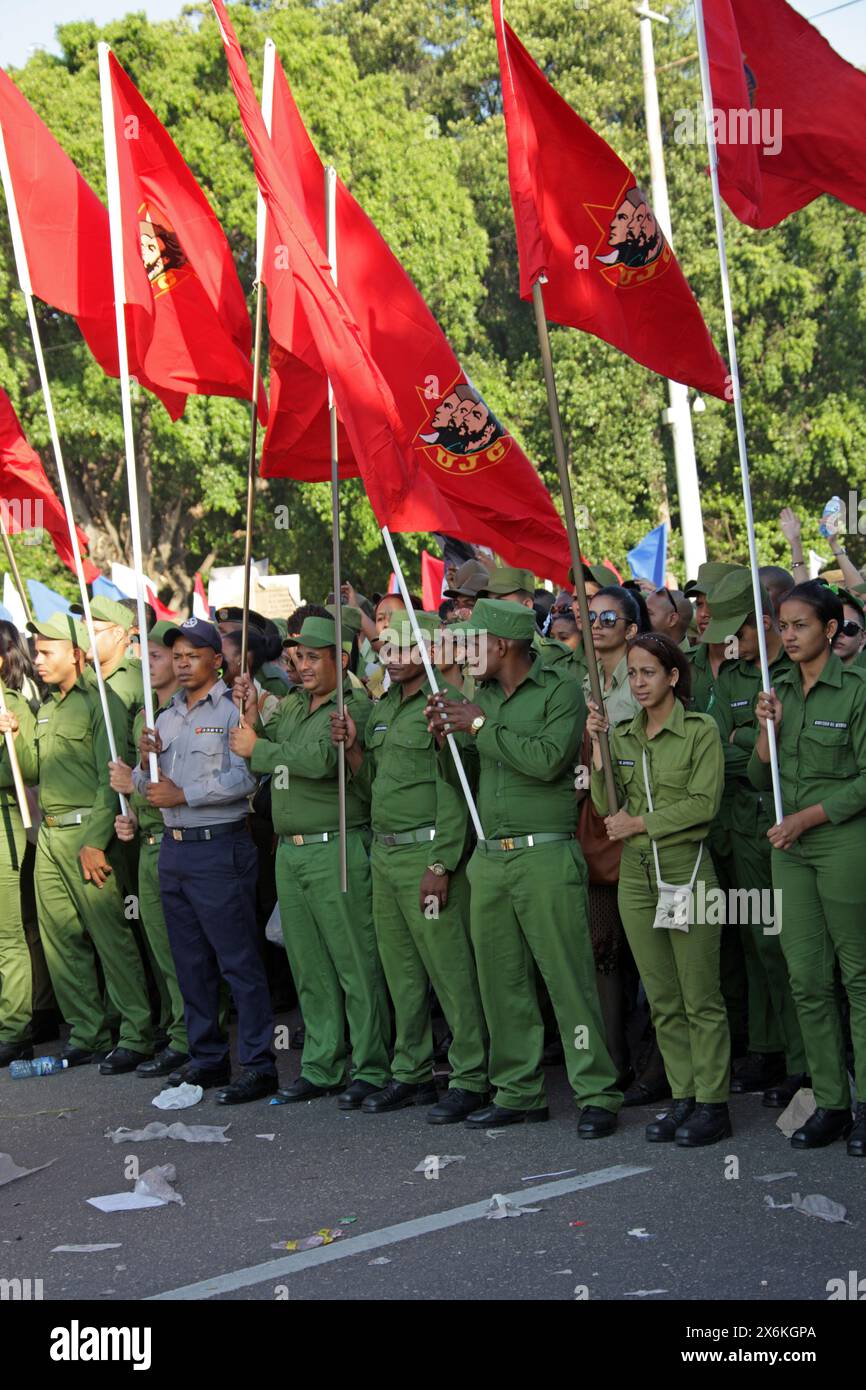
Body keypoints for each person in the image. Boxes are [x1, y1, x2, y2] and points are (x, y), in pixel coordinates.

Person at [426, 598, 622, 1135]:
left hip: (546, 853)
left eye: (474, 644)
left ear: (504, 645)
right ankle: (518, 1090)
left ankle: (597, 1092)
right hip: (489, 858)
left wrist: (480, 724)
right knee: (501, 982)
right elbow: (461, 779)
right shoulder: (478, 697)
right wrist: (445, 741)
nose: (466, 656)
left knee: (567, 978)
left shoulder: (559, 690)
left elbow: (546, 760)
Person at [332, 610, 489, 1122]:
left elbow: (455, 792)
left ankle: (471, 1076)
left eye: (402, 647)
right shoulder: (383, 707)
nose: (390, 656)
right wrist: (353, 746)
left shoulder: (444, 705)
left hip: (426, 853)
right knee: (400, 973)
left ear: (426, 648)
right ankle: (413, 1071)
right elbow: (371, 783)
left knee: (449, 971)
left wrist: (441, 864)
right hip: (385, 852)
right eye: (385, 647)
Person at [230, 614, 390, 1107]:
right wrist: (251, 717)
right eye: (296, 657)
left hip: (336, 844)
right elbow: (256, 745)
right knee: (309, 966)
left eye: (313, 657)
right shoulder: (295, 705)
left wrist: (261, 747)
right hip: (291, 849)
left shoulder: (354, 705)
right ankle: (322, 1064)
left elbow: (321, 761)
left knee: (354, 964)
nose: (301, 666)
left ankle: (370, 1066)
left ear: (340, 659)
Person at [588, 633, 730, 1146]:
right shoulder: (622, 734)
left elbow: (702, 805)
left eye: (649, 672)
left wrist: (641, 824)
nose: (640, 683)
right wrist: (600, 754)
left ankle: (714, 1103)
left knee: (699, 996)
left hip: (684, 872)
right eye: (633, 674)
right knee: (664, 998)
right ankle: (685, 1095)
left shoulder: (699, 730)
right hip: (637, 878)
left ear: (673, 676)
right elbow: (608, 810)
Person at [134, 616, 276, 1105]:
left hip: (219, 846)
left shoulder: (236, 708)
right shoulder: (165, 716)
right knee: (190, 962)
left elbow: (247, 780)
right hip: (174, 849)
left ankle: (259, 1064)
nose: (182, 662)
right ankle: (208, 1059)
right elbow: (148, 789)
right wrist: (140, 764)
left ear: (218, 659)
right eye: (176, 655)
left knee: (237, 960)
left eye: (193, 654)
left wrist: (185, 793)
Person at [4, 613, 154, 1073]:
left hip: (87, 832)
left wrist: (95, 841)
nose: (36, 659)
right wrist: (10, 734)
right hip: (48, 833)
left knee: (111, 938)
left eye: (46, 651)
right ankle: (87, 1032)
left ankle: (136, 1033)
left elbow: (112, 780)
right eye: (35, 649)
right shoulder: (46, 706)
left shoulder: (100, 703)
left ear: (76, 653)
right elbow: (28, 771)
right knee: (60, 942)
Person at [749, 582, 866, 1155]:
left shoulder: (858, 688)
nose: (788, 635)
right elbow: (756, 777)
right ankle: (831, 1102)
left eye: (799, 625)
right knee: (807, 980)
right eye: (782, 625)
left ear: (829, 629)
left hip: (842, 839)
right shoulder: (779, 693)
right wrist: (766, 732)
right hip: (789, 847)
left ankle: (865, 1102)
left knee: (860, 977)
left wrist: (809, 818)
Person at [703, 570, 807, 1106]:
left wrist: (747, 742)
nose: (727, 641)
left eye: (735, 631)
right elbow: (719, 752)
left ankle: (804, 1059)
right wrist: (749, 740)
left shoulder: (794, 670)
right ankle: (768, 1049)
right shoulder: (732, 678)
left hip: (789, 823)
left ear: (763, 624)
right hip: (743, 823)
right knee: (755, 941)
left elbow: (789, 754)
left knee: (792, 947)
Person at [107, 620, 192, 1077]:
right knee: (163, 950)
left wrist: (140, 788)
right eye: (153, 655)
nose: (149, 663)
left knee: (186, 952)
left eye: (156, 656)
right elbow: (144, 792)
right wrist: (132, 815)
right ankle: (180, 1033)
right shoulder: (147, 714)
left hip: (180, 840)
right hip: (151, 841)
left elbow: (182, 787)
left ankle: (193, 1036)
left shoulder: (184, 713)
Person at [0, 632, 38, 1065]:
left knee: (6, 932)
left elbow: (26, 768)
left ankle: (14, 1028)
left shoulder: (12, 705)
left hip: (4, 815)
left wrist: (10, 733)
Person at [75, 596, 144, 749]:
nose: (85, 637)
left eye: (93, 631)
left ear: (118, 633)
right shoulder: (81, 679)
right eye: (82, 631)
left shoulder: (141, 680)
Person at [682, 562, 743, 714]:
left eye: (713, 604)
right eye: (700, 604)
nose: (703, 613)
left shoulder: (752, 664)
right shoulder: (684, 665)